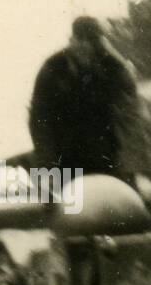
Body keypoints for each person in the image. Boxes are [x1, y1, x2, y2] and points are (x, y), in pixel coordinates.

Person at [28, 16, 139, 182]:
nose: (85, 48)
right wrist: (47, 167)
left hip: (104, 158)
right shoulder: (52, 68)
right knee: (52, 200)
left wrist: (131, 166)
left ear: (98, 44)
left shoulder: (113, 68)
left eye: (91, 42)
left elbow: (130, 116)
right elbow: (39, 121)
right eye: (80, 41)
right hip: (61, 159)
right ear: (72, 40)